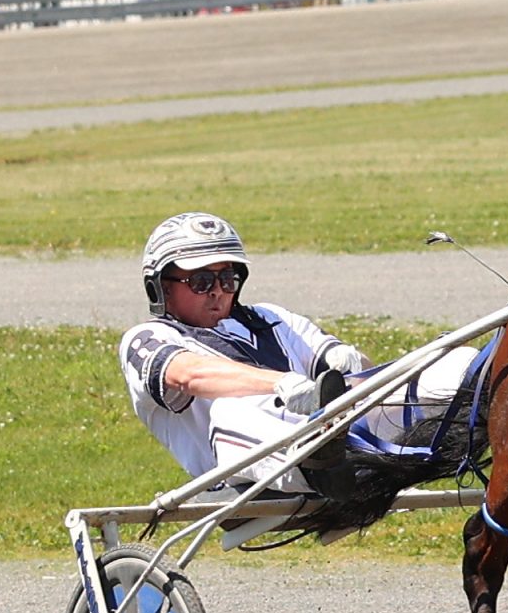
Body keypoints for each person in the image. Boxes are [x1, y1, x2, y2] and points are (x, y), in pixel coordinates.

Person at [120, 213, 479, 507]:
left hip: (345, 437)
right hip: (248, 471)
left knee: (460, 363)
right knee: (231, 410)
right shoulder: (147, 338)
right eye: (200, 280)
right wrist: (280, 383)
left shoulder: (272, 318)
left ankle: (489, 423)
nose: (217, 290)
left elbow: (343, 374)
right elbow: (189, 375)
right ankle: (321, 462)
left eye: (226, 278)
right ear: (162, 287)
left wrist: (349, 360)